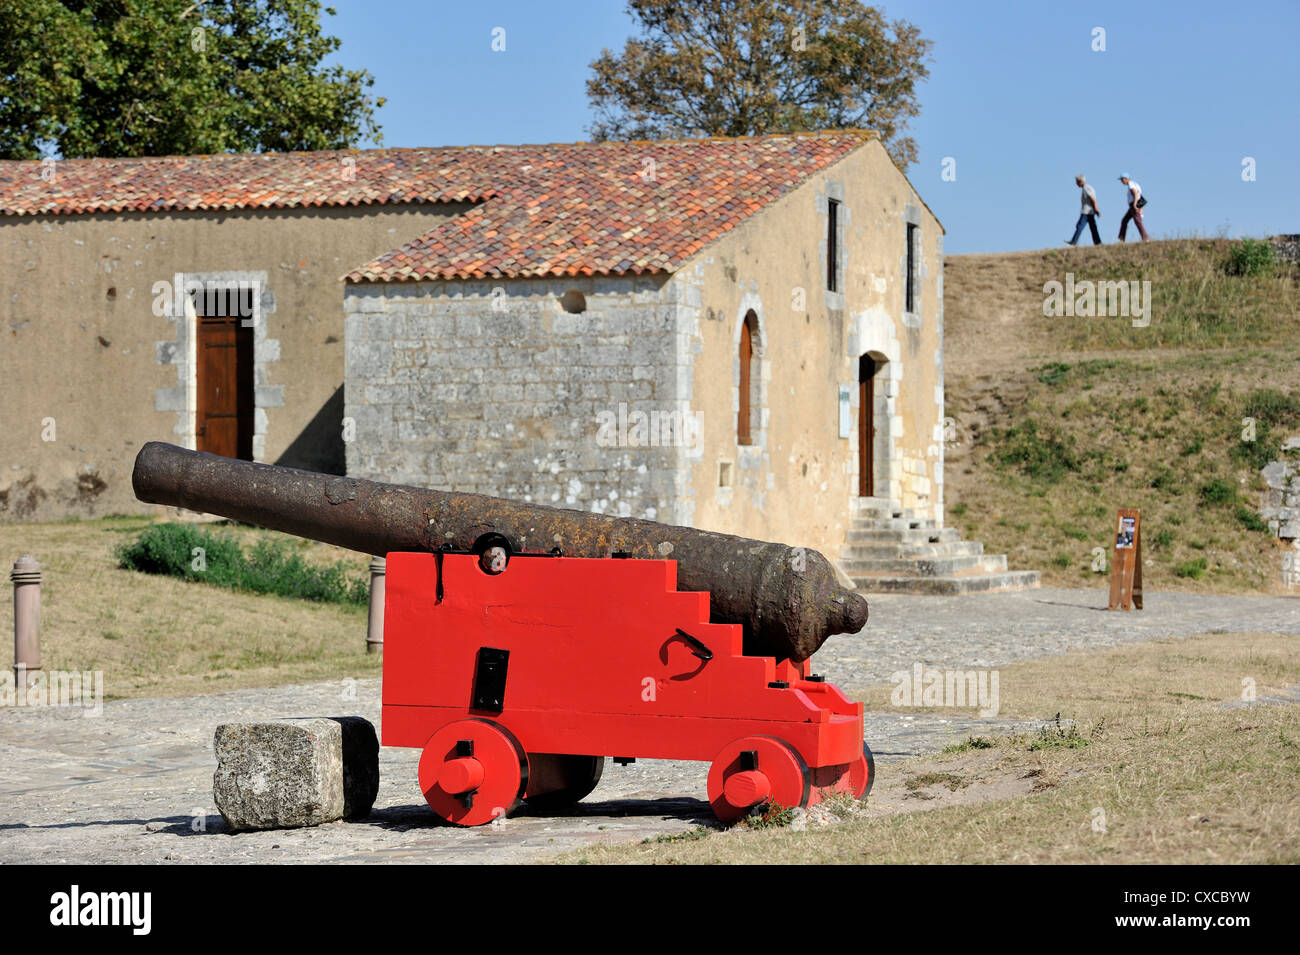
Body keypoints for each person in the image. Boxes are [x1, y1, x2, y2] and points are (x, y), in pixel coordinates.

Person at [1066, 174, 1102, 245]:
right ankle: (1098, 243)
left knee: (1080, 226)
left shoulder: (1086, 188)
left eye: (1077, 182)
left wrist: (1096, 209)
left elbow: (1092, 199)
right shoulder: (1089, 187)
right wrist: (1095, 210)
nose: (1076, 183)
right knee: (1093, 228)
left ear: (1081, 181)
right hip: (1090, 211)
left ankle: (1073, 242)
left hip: (1086, 212)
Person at [1117, 173, 1149, 242]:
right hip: (1137, 203)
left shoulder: (1131, 185)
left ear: (1126, 178)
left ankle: (1145, 238)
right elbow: (1140, 196)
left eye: (1122, 179)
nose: (1122, 181)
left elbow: (1135, 193)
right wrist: (1141, 208)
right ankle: (1121, 239)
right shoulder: (1135, 184)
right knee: (1124, 221)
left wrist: (1135, 205)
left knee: (1138, 221)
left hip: (1133, 205)